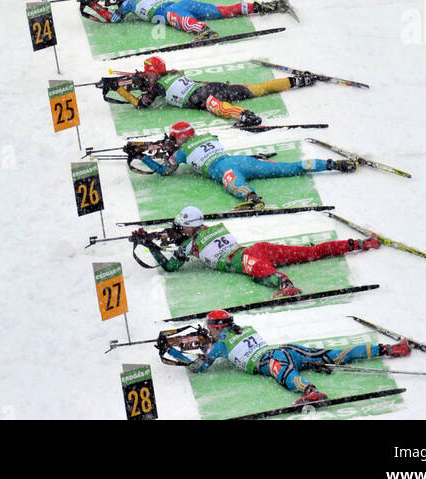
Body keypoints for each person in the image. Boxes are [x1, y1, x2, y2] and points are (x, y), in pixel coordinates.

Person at [165, 310, 410, 402]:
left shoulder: (220, 345)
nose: (209, 331)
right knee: (332, 355)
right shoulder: (243, 328)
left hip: (270, 358)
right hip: (286, 348)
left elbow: (199, 367)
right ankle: (387, 349)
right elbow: (225, 341)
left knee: (285, 375)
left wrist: (175, 351)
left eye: (211, 327)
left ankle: (310, 392)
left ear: (218, 328)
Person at [132, 205, 376, 296]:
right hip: (258, 249)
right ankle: (357, 244)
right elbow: (180, 235)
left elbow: (169, 267)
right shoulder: (208, 228)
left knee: (263, 275)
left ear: (189, 227)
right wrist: (157, 238)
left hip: (247, 257)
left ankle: (287, 287)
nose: (178, 229)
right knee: (306, 252)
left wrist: (151, 245)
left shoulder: (189, 244)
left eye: (181, 226)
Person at [128, 124, 356, 210]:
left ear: (179, 139)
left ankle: (253, 199)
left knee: (235, 185)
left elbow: (163, 171)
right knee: (289, 167)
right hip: (240, 159)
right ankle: (331, 163)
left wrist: (143, 156)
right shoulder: (208, 134)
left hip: (224, 167)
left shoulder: (182, 152)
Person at [93, 52, 305, 125]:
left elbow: (141, 104)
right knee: (258, 89)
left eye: (148, 72)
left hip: (202, 98)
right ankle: (296, 81)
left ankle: (246, 116)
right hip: (212, 86)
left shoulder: (157, 86)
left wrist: (120, 90)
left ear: (155, 72)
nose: (145, 74)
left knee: (223, 109)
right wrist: (132, 81)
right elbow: (145, 81)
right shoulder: (172, 73)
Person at [83, 0, 290, 38]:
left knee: (186, 23)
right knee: (225, 10)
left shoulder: (130, 2)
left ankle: (203, 31)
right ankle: (265, 6)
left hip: (172, 12)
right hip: (182, 4)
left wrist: (94, 4)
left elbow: (113, 19)